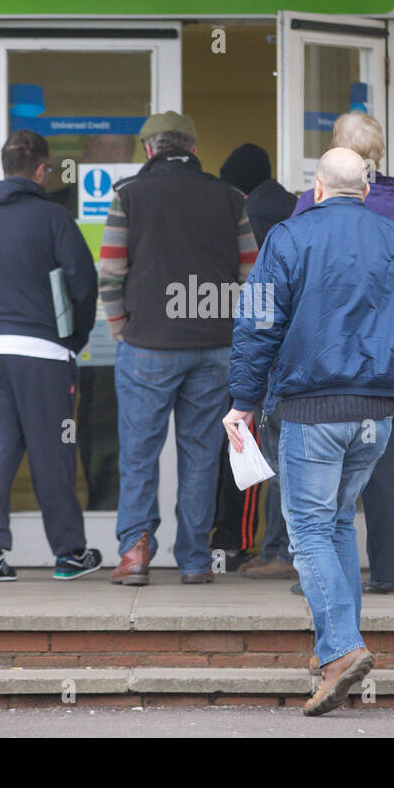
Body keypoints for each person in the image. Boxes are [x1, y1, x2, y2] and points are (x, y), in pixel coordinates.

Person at [225, 147, 394, 716]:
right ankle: (335, 651)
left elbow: (258, 323)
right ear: (365, 190)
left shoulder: (287, 239)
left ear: (316, 188)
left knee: (307, 529)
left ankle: (340, 651)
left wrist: (243, 401)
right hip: (377, 412)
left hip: (312, 408)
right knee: (335, 523)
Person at [99, 112, 258, 586]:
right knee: (202, 454)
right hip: (215, 346)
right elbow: (250, 274)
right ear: (192, 148)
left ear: (149, 149)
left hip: (147, 343)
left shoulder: (129, 194)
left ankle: (135, 553)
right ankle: (193, 559)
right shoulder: (230, 198)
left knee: (139, 452)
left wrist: (119, 326)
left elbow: (110, 269)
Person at [0, 130, 102, 582]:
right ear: (40, 170)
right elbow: (83, 285)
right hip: (41, 353)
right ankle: (69, 554)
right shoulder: (54, 219)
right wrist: (72, 341)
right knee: (52, 452)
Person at [289, 112, 394, 594]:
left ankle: (316, 573)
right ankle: (391, 572)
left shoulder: (310, 204)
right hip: (384, 358)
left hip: (322, 356)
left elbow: (293, 277)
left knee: (317, 470)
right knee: (384, 465)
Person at [214, 143, 298, 575]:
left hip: (274, 353)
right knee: (290, 451)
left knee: (277, 454)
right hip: (301, 351)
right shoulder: (293, 206)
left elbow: (260, 295)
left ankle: (280, 553)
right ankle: (279, 550)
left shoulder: (256, 218)